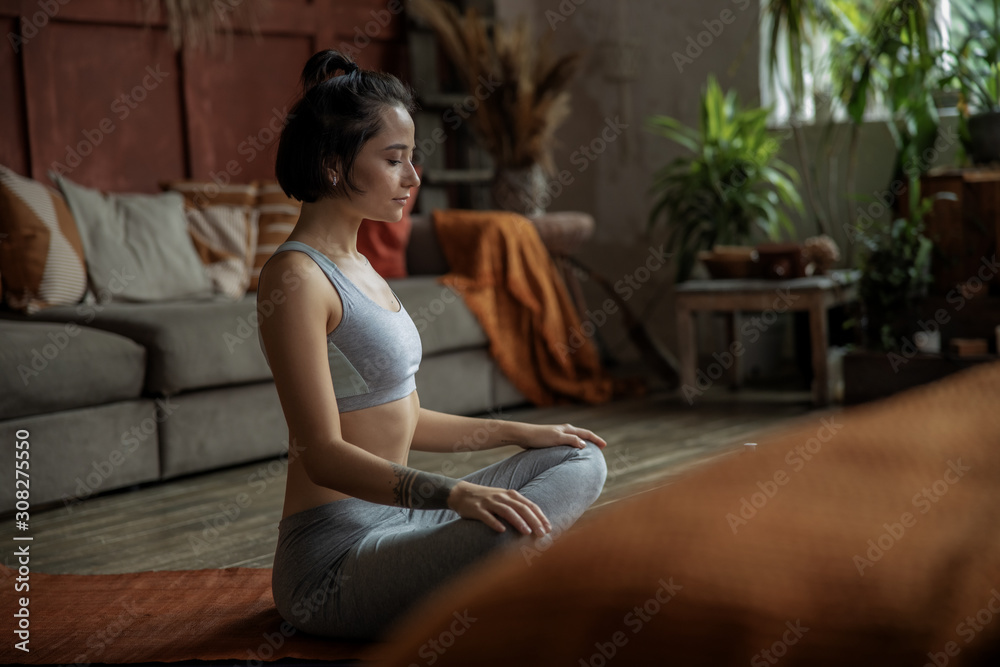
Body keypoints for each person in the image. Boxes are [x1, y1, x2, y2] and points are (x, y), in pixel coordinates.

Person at [257, 49, 609, 641]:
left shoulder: (361, 265)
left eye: (411, 159)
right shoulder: (296, 278)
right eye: (394, 160)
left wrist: (524, 432)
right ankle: (491, 582)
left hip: (403, 520)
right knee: (505, 525)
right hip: (334, 560)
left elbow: (407, 418)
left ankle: (484, 577)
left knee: (578, 459)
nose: (413, 178)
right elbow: (322, 454)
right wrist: (454, 494)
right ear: (334, 164)